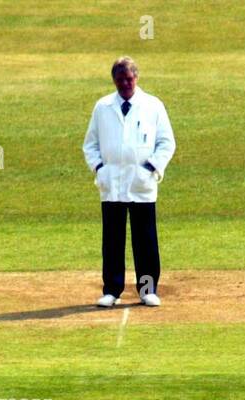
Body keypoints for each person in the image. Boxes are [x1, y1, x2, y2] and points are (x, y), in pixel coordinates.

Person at [82, 56, 176, 308]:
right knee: (112, 239)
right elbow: (90, 144)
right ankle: (112, 290)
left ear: (137, 78)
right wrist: (99, 169)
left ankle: (147, 290)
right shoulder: (103, 107)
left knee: (145, 239)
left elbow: (167, 142)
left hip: (141, 184)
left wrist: (152, 168)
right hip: (111, 183)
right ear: (114, 80)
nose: (125, 83)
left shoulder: (153, 105)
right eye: (120, 79)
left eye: (129, 78)